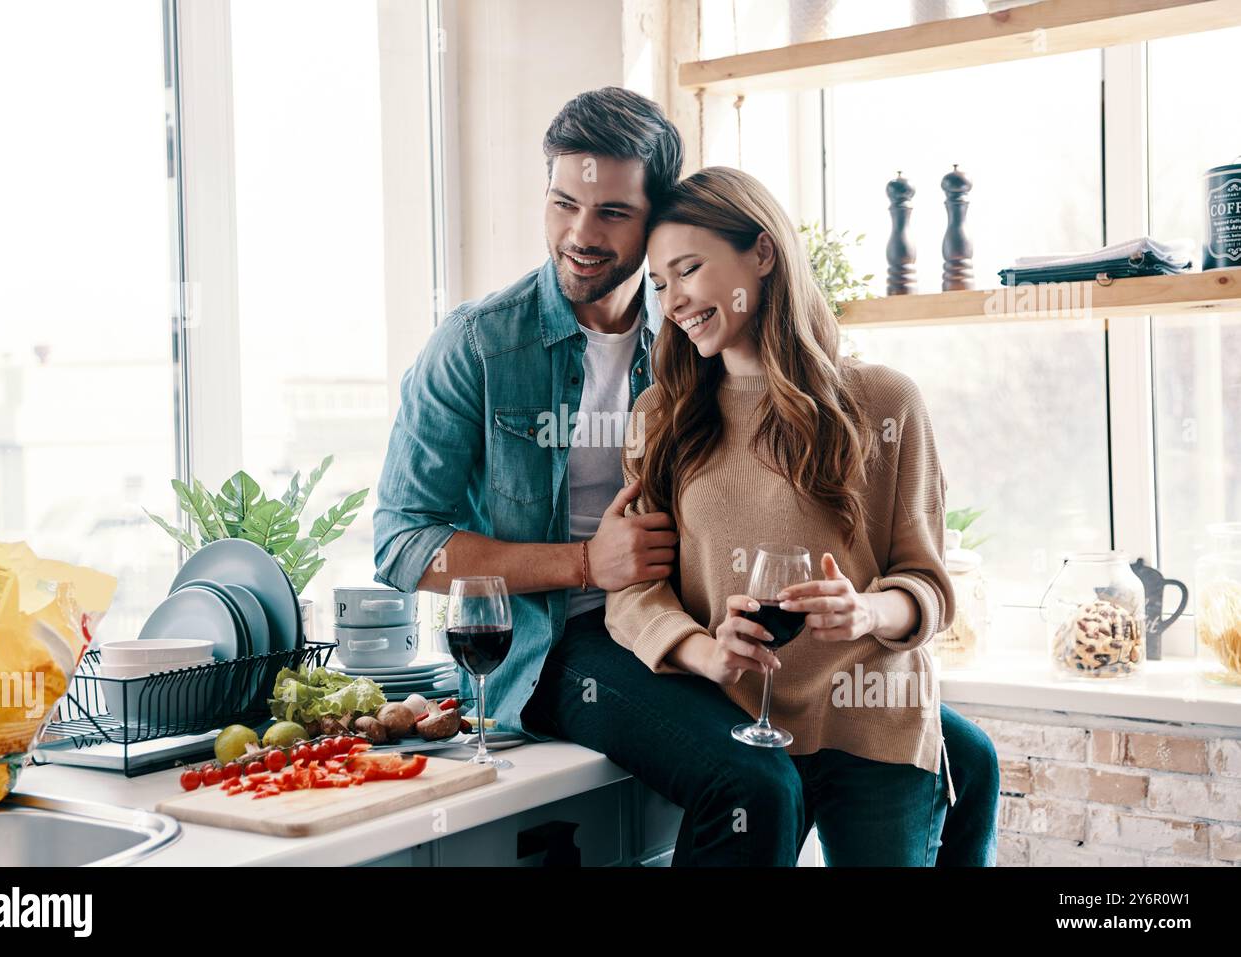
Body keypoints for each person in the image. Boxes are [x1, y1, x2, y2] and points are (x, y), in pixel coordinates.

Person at [372, 87, 998, 865]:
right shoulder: (478, 345)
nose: (579, 234)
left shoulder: (691, 334)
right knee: (755, 782)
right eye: (564, 203)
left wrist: (865, 608)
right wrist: (584, 565)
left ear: (656, 221)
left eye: (611, 214)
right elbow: (401, 544)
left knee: (966, 759)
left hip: (689, 612)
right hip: (563, 635)